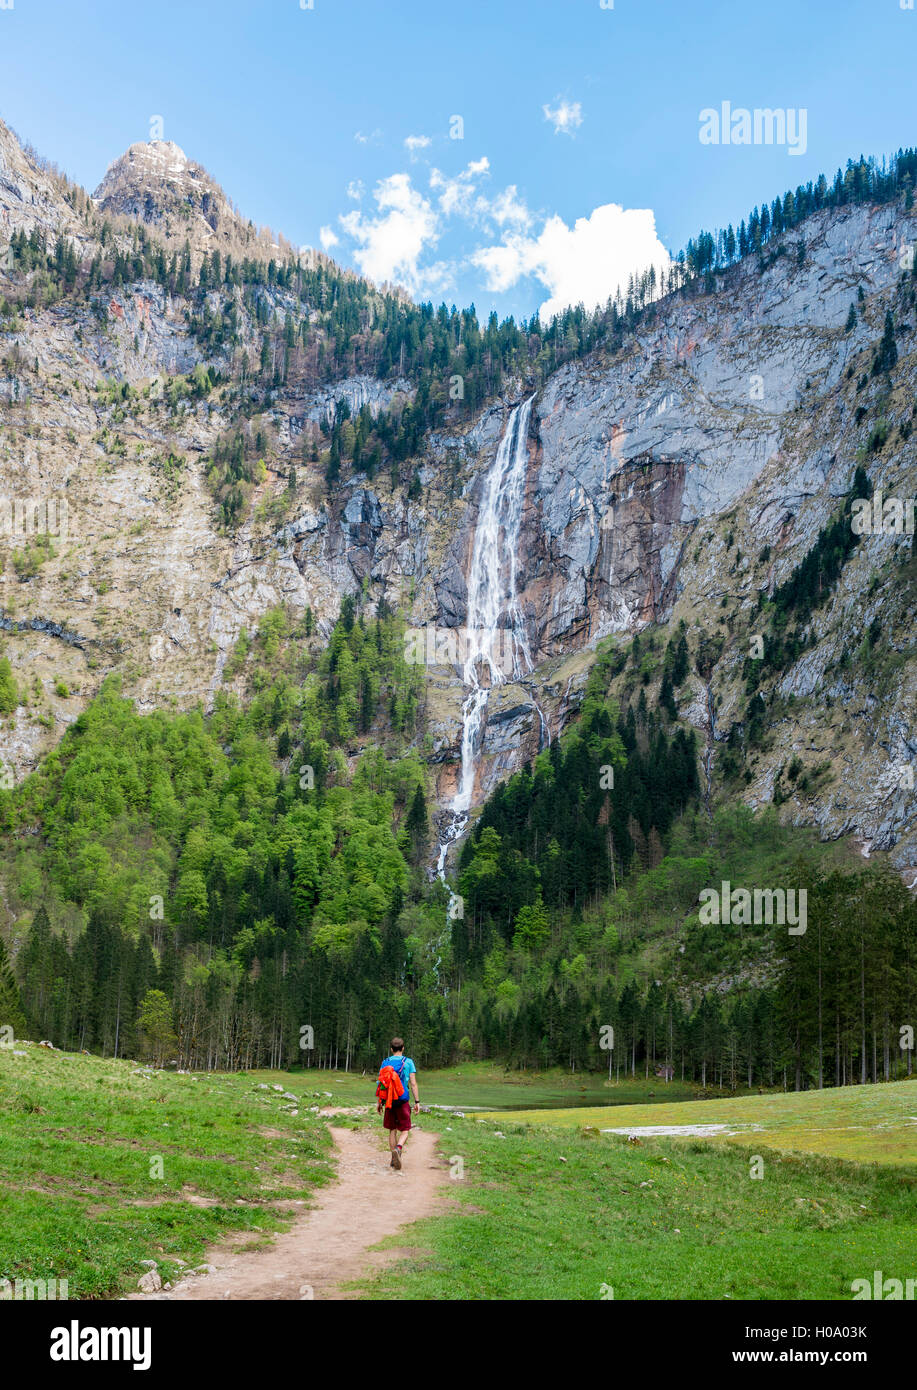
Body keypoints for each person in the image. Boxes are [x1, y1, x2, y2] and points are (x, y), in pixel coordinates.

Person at [376, 1037, 419, 1170]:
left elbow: (381, 1084)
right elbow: (413, 1083)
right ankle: (398, 1149)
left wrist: (379, 1102)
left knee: (392, 1130)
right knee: (405, 1130)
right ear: (403, 1048)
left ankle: (393, 1158)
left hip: (389, 1100)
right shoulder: (408, 1062)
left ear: (391, 1049)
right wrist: (417, 1101)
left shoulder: (385, 1062)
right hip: (402, 1099)